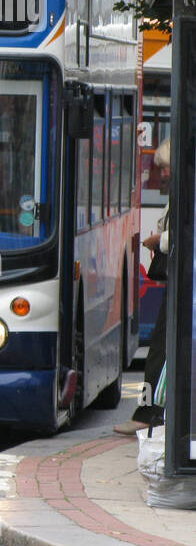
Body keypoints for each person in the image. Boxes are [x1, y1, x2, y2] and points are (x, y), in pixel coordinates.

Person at [117, 138, 170, 435]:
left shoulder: (185, 192)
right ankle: (149, 413)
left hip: (183, 282)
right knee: (160, 347)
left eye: (164, 168)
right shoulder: (179, 191)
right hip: (179, 281)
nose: (160, 174)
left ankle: (148, 414)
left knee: (161, 347)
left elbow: (183, 233)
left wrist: (158, 241)